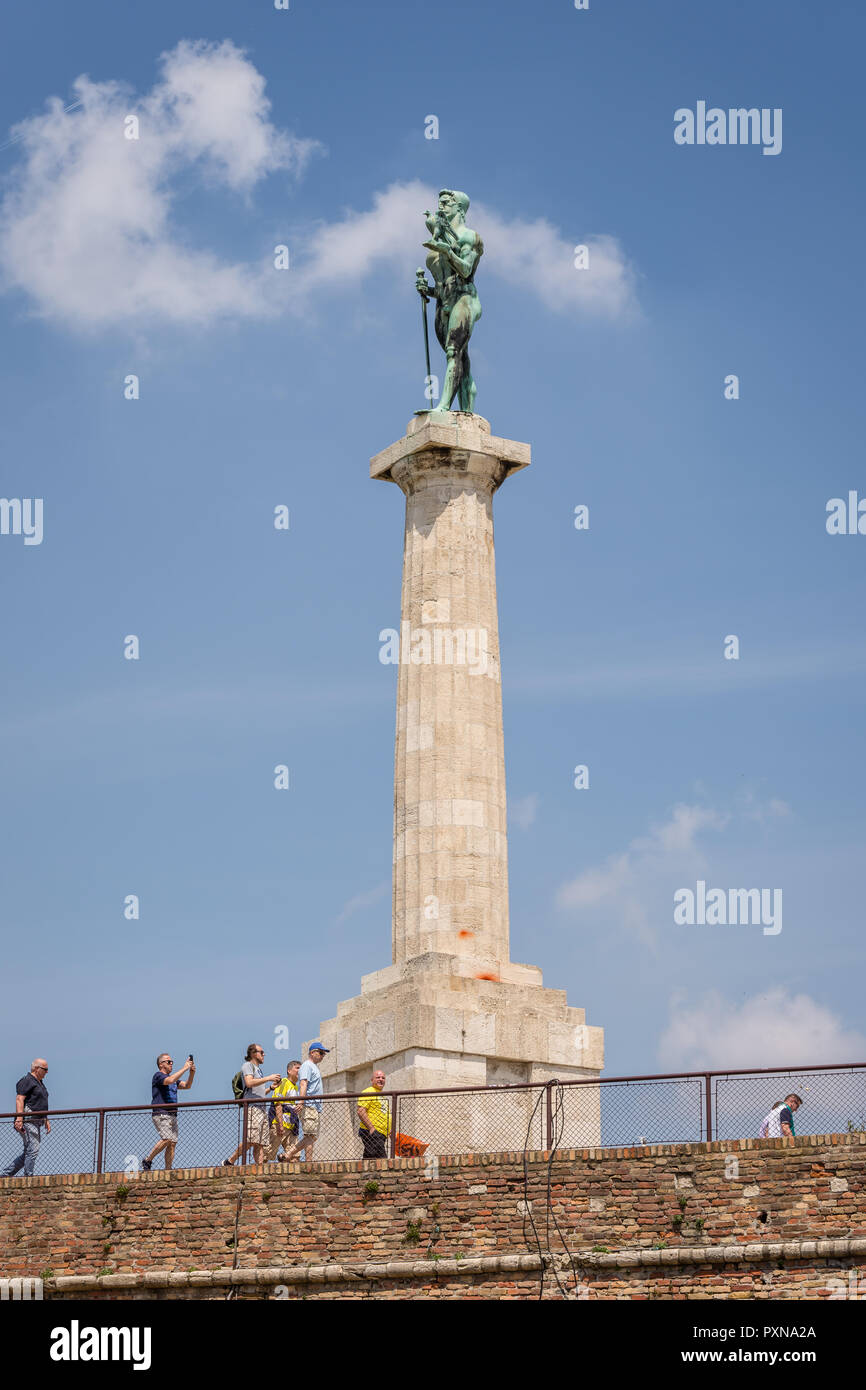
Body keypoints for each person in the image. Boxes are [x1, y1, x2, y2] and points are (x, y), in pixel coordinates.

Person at [416, 189, 483, 413]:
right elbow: (445, 282)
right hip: (443, 301)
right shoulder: (441, 235)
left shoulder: (468, 237)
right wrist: (429, 290)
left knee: (453, 352)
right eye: (440, 203)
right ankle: (468, 413)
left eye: (446, 203)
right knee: (460, 359)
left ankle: (444, 406)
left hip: (464, 299)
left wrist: (448, 253)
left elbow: (465, 271)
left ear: (459, 208)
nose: (441, 206)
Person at [224, 1044, 281, 1166]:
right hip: (253, 1108)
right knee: (251, 1139)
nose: (264, 1054)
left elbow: (258, 1092)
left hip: (261, 1108)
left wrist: (270, 1088)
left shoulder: (258, 1070)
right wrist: (268, 1078)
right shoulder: (248, 1066)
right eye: (261, 1052)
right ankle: (230, 1160)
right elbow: (249, 1083)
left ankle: (259, 1169)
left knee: (260, 1142)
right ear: (254, 1053)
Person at [142, 1054, 195, 1171]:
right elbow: (169, 1080)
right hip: (161, 1113)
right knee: (166, 1138)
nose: (171, 1064)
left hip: (173, 1114)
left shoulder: (174, 1080)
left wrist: (191, 1072)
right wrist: (185, 1068)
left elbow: (187, 1085)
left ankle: (168, 1169)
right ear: (161, 1064)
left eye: (172, 1062)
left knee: (172, 1143)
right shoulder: (158, 1076)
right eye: (168, 1062)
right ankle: (148, 1159)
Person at [1, 1059, 50, 1178]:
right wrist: (19, 1118)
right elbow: (20, 1099)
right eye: (45, 1069)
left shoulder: (40, 1083)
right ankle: (29, 1177)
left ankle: (5, 1175)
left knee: (29, 1151)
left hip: (36, 1120)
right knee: (33, 1149)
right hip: (28, 1119)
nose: (47, 1072)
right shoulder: (28, 1080)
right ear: (36, 1069)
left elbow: (40, 1102)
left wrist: (45, 1119)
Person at [283, 1042, 328, 1162]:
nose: (322, 1055)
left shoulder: (313, 1067)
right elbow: (303, 1083)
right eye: (321, 1052)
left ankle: (293, 1156)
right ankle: (295, 1156)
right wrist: (301, 1102)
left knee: (312, 1136)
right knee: (310, 1135)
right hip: (309, 1105)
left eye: (324, 1054)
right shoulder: (307, 1066)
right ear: (312, 1052)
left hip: (314, 1106)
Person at [268, 1060, 302, 1161]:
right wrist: (280, 1125)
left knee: (294, 1157)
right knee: (267, 1155)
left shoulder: (295, 1087)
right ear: (289, 1070)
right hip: (279, 1125)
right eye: (297, 1068)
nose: (299, 1071)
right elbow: (277, 1103)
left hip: (291, 1127)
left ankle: (283, 1158)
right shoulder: (283, 1082)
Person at [357, 1069, 391, 1159]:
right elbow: (361, 1111)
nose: (381, 1079)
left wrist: (389, 1131)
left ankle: (364, 1172)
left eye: (383, 1078)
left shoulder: (382, 1095)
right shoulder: (369, 1091)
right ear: (372, 1080)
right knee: (382, 1159)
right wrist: (371, 1129)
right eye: (378, 1077)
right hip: (371, 1131)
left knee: (370, 1156)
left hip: (381, 1133)